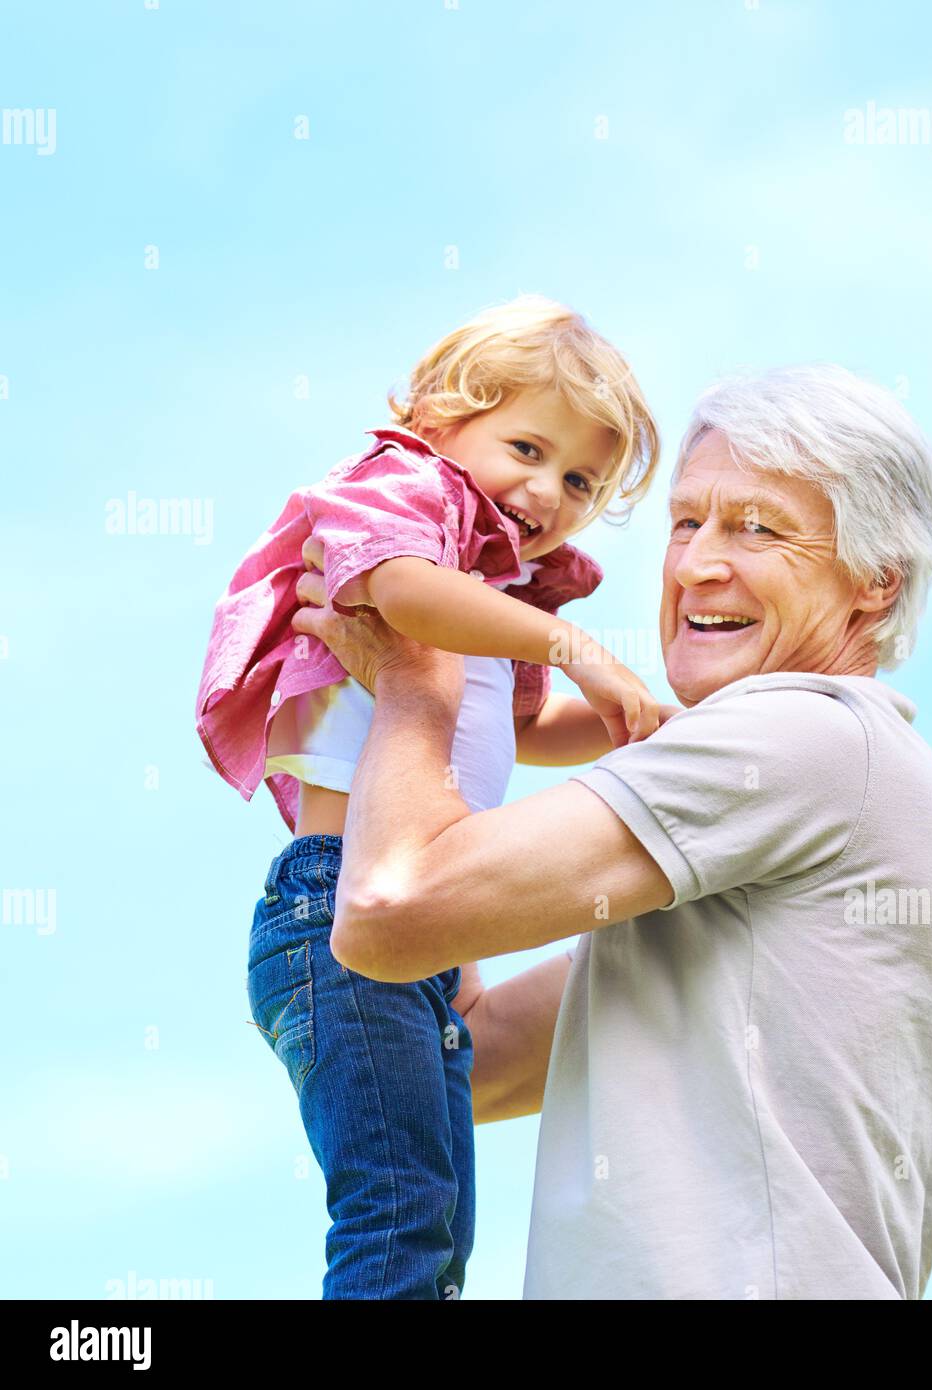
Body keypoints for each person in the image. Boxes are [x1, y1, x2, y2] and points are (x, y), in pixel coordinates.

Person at [293, 364, 932, 1300]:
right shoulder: (777, 808)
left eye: (758, 529)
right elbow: (469, 1057)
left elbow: (388, 912)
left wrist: (417, 677)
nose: (695, 566)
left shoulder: (800, 733)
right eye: (686, 523)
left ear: (875, 584)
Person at [196, 296, 665, 1298]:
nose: (546, 490)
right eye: (527, 448)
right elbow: (400, 590)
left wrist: (656, 725)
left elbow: (526, 730)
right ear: (437, 419)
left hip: (424, 939)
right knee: (399, 1210)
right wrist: (576, 646)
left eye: (579, 480)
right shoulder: (403, 492)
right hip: (334, 910)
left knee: (440, 1228)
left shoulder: (494, 588)